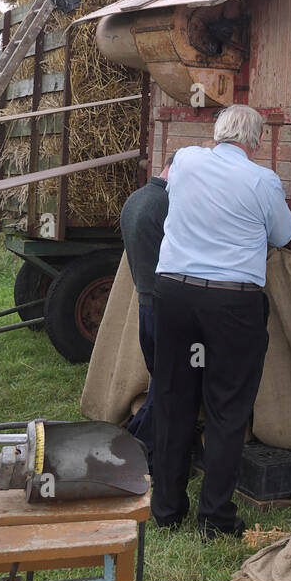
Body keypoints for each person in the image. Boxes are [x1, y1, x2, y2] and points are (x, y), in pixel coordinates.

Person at [151, 105, 291, 538]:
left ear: (216, 133)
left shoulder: (187, 160)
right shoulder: (262, 181)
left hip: (173, 293)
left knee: (173, 400)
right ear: (256, 142)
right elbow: (283, 236)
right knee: (227, 409)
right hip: (232, 303)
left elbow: (172, 195)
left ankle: (166, 510)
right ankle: (214, 518)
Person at [118, 157, 172, 455]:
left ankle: (136, 439)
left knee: (161, 381)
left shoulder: (135, 200)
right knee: (170, 384)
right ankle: (138, 446)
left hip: (145, 302)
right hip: (165, 306)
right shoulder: (167, 205)